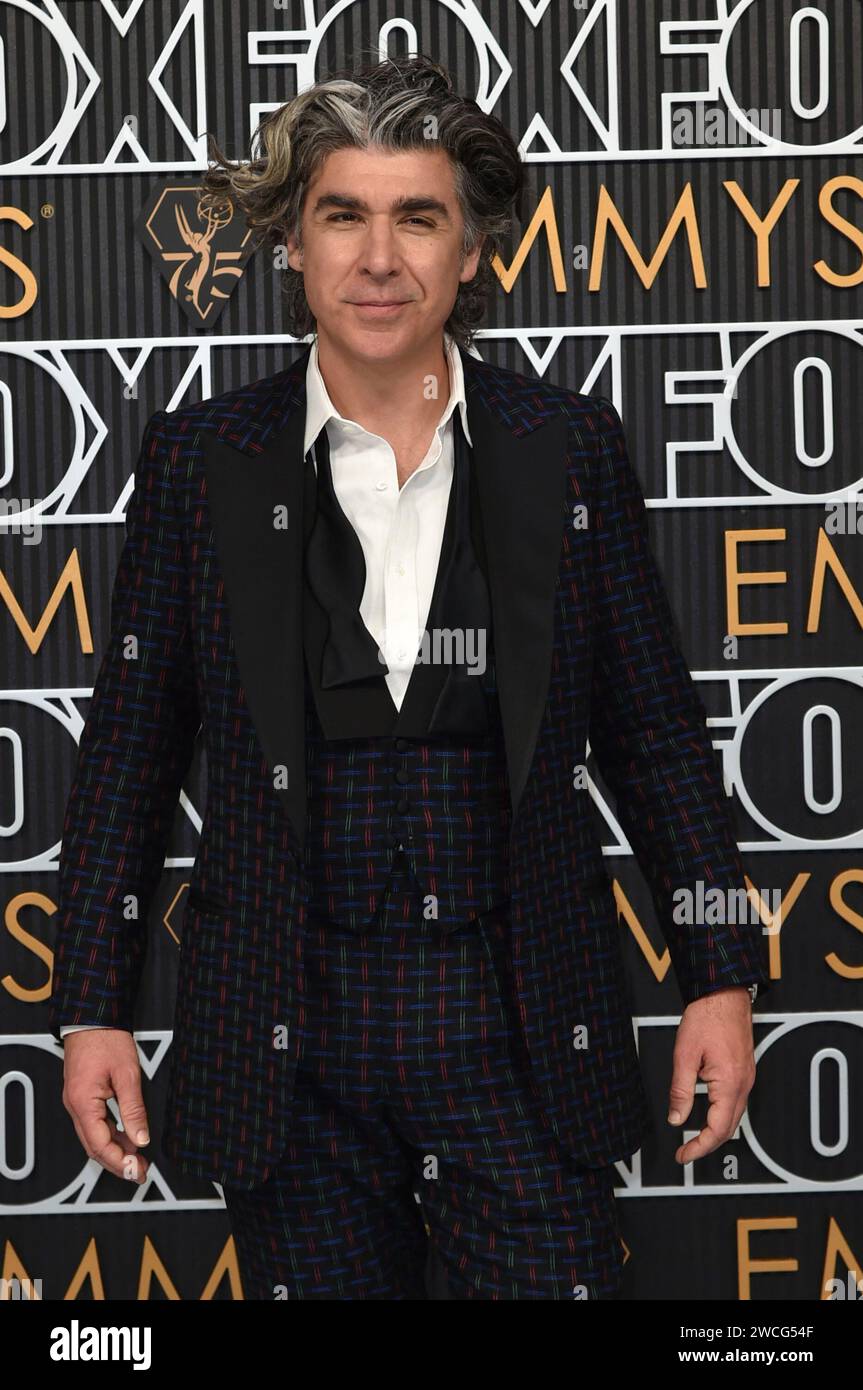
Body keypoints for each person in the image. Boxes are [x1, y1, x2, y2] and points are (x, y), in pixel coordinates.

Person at [50, 53, 769, 1300]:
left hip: (523, 1032)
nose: (379, 258)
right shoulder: (200, 459)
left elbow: (655, 737)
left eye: (417, 216)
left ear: (472, 250)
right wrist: (90, 1007)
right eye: (344, 214)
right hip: (289, 1040)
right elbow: (128, 749)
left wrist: (719, 970)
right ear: (291, 243)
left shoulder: (569, 450)